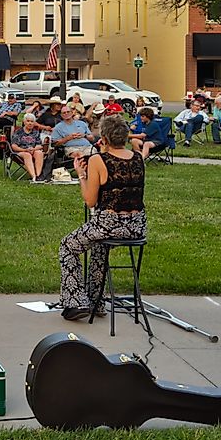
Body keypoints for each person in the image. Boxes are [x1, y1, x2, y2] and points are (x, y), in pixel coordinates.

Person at [57, 115, 147, 322]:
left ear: (104, 138)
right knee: (99, 248)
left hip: (108, 225)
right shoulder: (138, 157)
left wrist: (81, 174)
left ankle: (75, 302)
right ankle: (96, 301)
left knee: (68, 246)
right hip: (136, 226)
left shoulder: (99, 160)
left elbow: (90, 201)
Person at [8, 113, 47, 182]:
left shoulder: (36, 132)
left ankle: (38, 176)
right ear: (24, 122)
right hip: (20, 152)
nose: (30, 123)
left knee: (39, 153)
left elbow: (39, 145)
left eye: (32, 121)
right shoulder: (18, 132)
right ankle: (33, 176)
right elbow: (14, 146)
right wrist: (25, 150)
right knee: (27, 155)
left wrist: (33, 149)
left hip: (33, 150)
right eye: (28, 121)